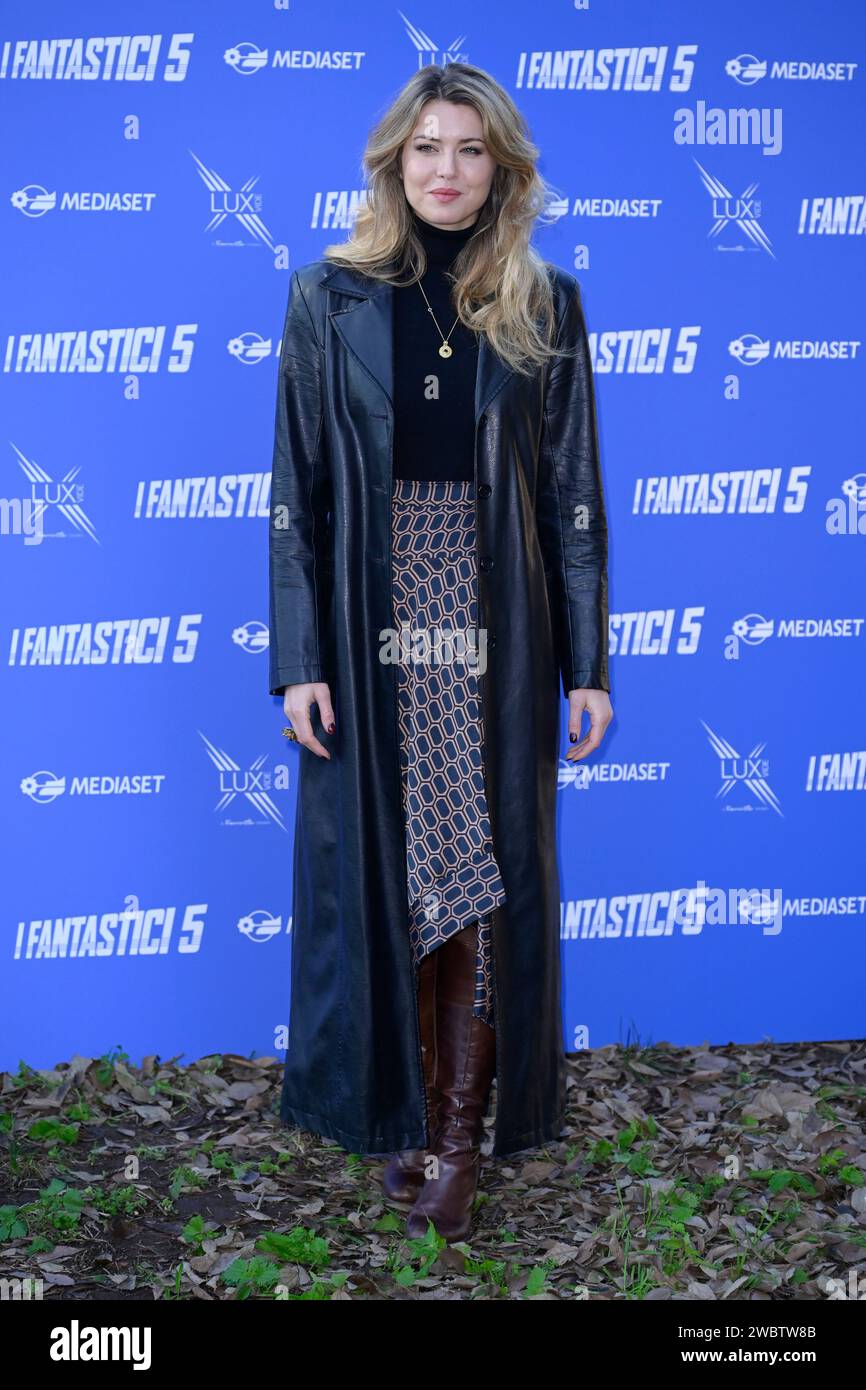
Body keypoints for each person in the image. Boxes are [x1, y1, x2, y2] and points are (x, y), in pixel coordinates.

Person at [268, 61, 613, 1244]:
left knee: (475, 873)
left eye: (469, 150)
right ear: (392, 162)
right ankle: (410, 1116)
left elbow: (572, 497)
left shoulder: (543, 301)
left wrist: (588, 665)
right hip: (374, 617)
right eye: (426, 149)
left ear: (500, 167)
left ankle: (459, 1140)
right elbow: (296, 495)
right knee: (393, 874)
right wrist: (299, 656)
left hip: (493, 623)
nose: (446, 171)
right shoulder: (329, 297)